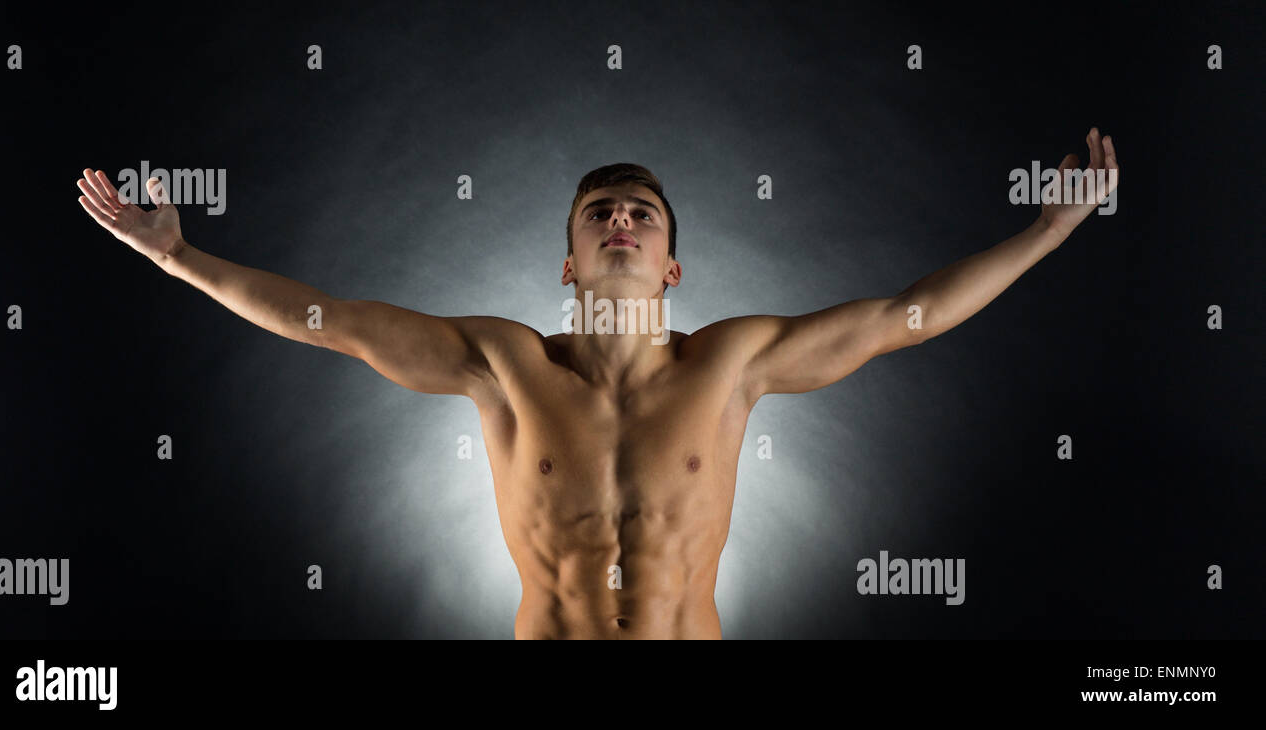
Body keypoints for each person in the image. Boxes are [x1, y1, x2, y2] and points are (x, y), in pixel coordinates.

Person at [76, 128, 1119, 639]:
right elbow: (328, 323)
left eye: (641, 214)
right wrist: (178, 259)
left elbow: (908, 315)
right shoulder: (503, 363)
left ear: (671, 267)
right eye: (599, 215)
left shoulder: (733, 361)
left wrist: (1045, 227)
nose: (620, 221)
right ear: (567, 264)